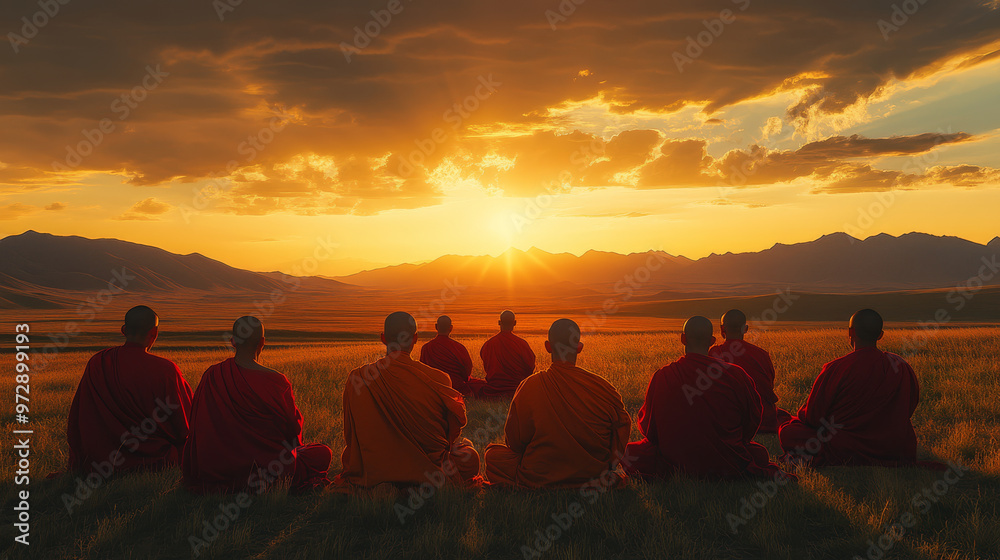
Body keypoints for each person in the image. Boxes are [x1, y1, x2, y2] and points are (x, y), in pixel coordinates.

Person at [624, 316, 789, 480]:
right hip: (726, 459)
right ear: (712, 341)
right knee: (758, 454)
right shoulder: (735, 374)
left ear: (683, 339)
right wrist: (737, 441)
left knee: (631, 453)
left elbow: (648, 428)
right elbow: (752, 418)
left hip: (676, 458)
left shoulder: (662, 376)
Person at [333, 311, 482, 490]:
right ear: (415, 338)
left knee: (350, 455)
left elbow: (351, 437)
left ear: (383, 338)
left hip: (377, 465)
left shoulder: (357, 379)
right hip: (429, 467)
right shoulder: (439, 378)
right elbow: (448, 436)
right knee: (470, 456)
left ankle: (384, 479)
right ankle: (412, 480)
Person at [182, 316, 332, 494]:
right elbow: (292, 430)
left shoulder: (212, 375)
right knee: (322, 453)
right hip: (266, 468)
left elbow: (197, 425)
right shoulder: (276, 381)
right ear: (262, 342)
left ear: (233, 341)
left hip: (217, 469)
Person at [485, 319, 631, 488]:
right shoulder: (604, 388)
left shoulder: (531, 385)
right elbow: (621, 432)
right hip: (593, 474)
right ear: (579, 348)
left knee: (493, 456)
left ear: (548, 347)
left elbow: (515, 443)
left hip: (539, 474)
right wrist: (607, 465)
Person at [778, 309, 919, 467]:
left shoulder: (837, 368)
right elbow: (910, 405)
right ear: (880, 335)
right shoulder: (900, 366)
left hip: (845, 444)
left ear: (851, 332)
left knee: (789, 431)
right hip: (893, 445)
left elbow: (813, 417)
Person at [67, 305, 193, 475]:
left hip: (100, 459)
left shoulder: (99, 362)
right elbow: (184, 423)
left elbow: (80, 414)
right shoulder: (166, 369)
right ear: (154, 332)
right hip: (156, 457)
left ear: (124, 330)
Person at [709, 309, 791, 433]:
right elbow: (768, 386)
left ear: (722, 329)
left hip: (730, 418)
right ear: (745, 329)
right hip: (763, 416)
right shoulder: (762, 354)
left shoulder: (715, 353)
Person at [476, 310, 535, 399]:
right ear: (514, 323)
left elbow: (487, 367)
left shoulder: (489, 344)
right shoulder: (521, 343)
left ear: (499, 322)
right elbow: (530, 367)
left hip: (493, 389)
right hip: (517, 388)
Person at [419, 315, 480, 395]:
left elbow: (422, 370)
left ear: (436, 327)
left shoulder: (426, 347)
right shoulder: (458, 347)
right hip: (456, 387)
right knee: (479, 385)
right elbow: (467, 369)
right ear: (451, 328)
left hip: (433, 388)